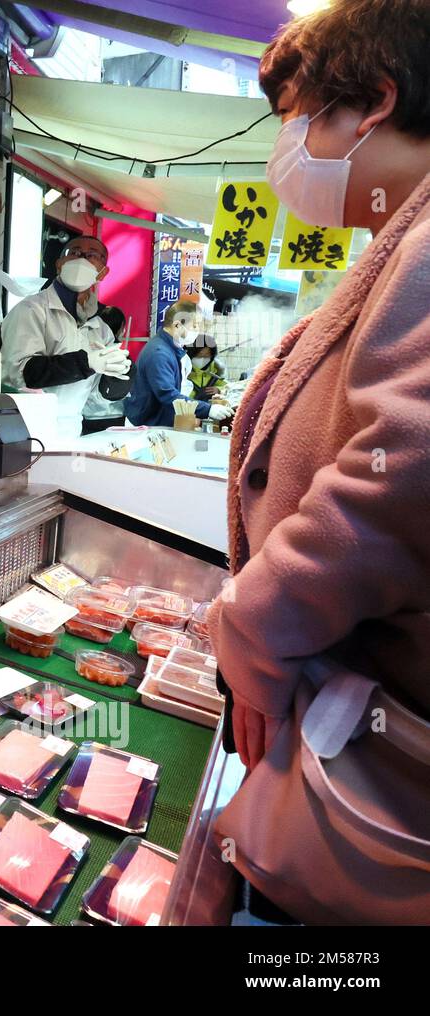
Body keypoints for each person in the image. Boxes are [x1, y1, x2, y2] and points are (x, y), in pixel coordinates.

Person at [208, 0, 430, 925]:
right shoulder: (399, 244)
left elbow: (397, 478)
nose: (287, 152)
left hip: (376, 752)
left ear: (374, 102)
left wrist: (252, 628)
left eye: (300, 120)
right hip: (347, 712)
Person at [1, 235, 130, 438]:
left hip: (71, 433)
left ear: (103, 272)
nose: (81, 259)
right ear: (59, 264)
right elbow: (18, 373)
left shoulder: (101, 328)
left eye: (92, 255)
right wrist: (85, 363)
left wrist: (118, 378)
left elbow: (96, 398)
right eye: (74, 253)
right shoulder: (31, 310)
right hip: (25, 430)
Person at [123, 301, 234, 427]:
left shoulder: (172, 349)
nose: (198, 330)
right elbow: (167, 395)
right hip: (145, 426)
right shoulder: (159, 353)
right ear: (177, 325)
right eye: (195, 325)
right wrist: (208, 409)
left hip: (157, 422)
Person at [81, 303, 131, 434]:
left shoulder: (86, 347)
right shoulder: (121, 354)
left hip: (88, 414)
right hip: (114, 415)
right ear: (121, 328)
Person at [185, 333, 227, 401]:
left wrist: (219, 390)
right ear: (191, 354)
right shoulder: (183, 370)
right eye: (199, 355)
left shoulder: (216, 370)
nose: (202, 359)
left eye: (207, 356)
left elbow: (228, 387)